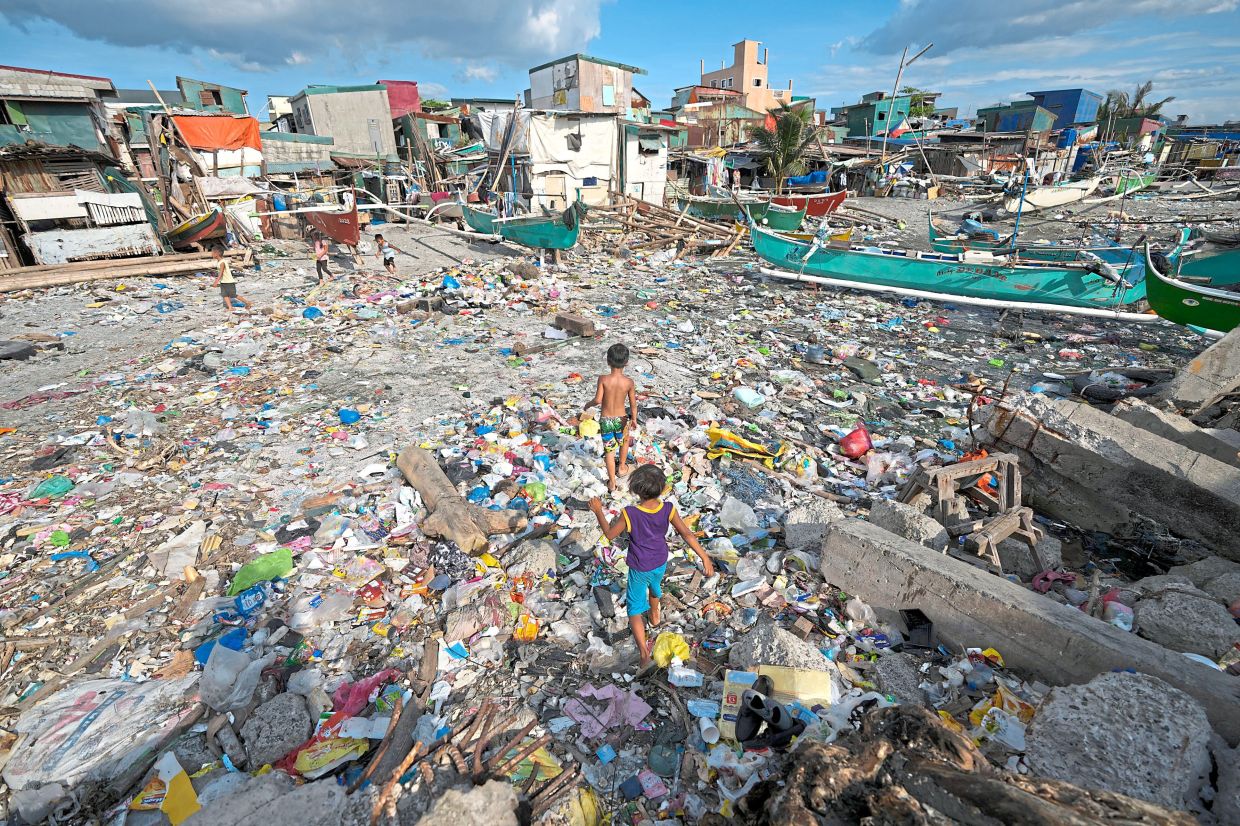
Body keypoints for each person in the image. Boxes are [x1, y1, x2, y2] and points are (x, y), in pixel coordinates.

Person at [588, 465, 714, 667]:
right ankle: (655, 617)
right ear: (662, 487)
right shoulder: (668, 508)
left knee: (634, 609)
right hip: (660, 561)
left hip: (639, 567)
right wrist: (704, 558)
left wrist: (598, 512)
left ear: (636, 490)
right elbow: (687, 534)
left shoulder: (630, 514)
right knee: (655, 587)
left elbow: (610, 535)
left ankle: (645, 655)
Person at [583, 343, 637, 492]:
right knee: (624, 442)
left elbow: (598, 400)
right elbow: (633, 404)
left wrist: (588, 405)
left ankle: (612, 482)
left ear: (608, 361)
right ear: (626, 362)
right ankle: (622, 467)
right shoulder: (629, 382)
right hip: (622, 419)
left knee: (609, 450)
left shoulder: (603, 379)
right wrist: (634, 420)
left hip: (606, 419)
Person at [210, 249, 250, 314]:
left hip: (228, 281)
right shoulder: (220, 262)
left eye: (212, 253)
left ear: (217, 253)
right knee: (225, 295)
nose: (211, 254)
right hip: (223, 281)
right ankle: (230, 307)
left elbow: (221, 273)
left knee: (233, 295)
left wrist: (216, 281)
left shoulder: (222, 262)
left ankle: (247, 302)